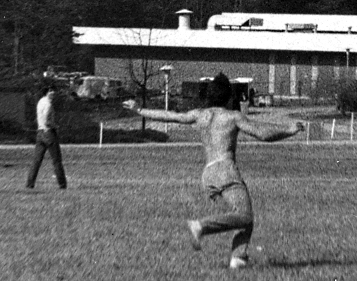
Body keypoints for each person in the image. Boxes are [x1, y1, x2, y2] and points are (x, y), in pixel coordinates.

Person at [123, 73, 304, 270]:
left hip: (208, 174)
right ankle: (200, 226)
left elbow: (172, 116)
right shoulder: (232, 117)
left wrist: (140, 110)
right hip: (225, 170)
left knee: (242, 214)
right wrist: (289, 129)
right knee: (245, 216)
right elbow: (262, 134)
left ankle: (239, 259)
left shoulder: (200, 115)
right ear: (228, 97)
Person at [25, 79, 67, 190]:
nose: (53, 93)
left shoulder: (40, 102)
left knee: (36, 161)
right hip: (49, 133)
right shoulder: (48, 104)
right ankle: (62, 184)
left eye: (54, 91)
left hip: (40, 133)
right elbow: (47, 120)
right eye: (51, 91)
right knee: (57, 160)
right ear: (46, 92)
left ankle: (30, 183)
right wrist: (56, 126)